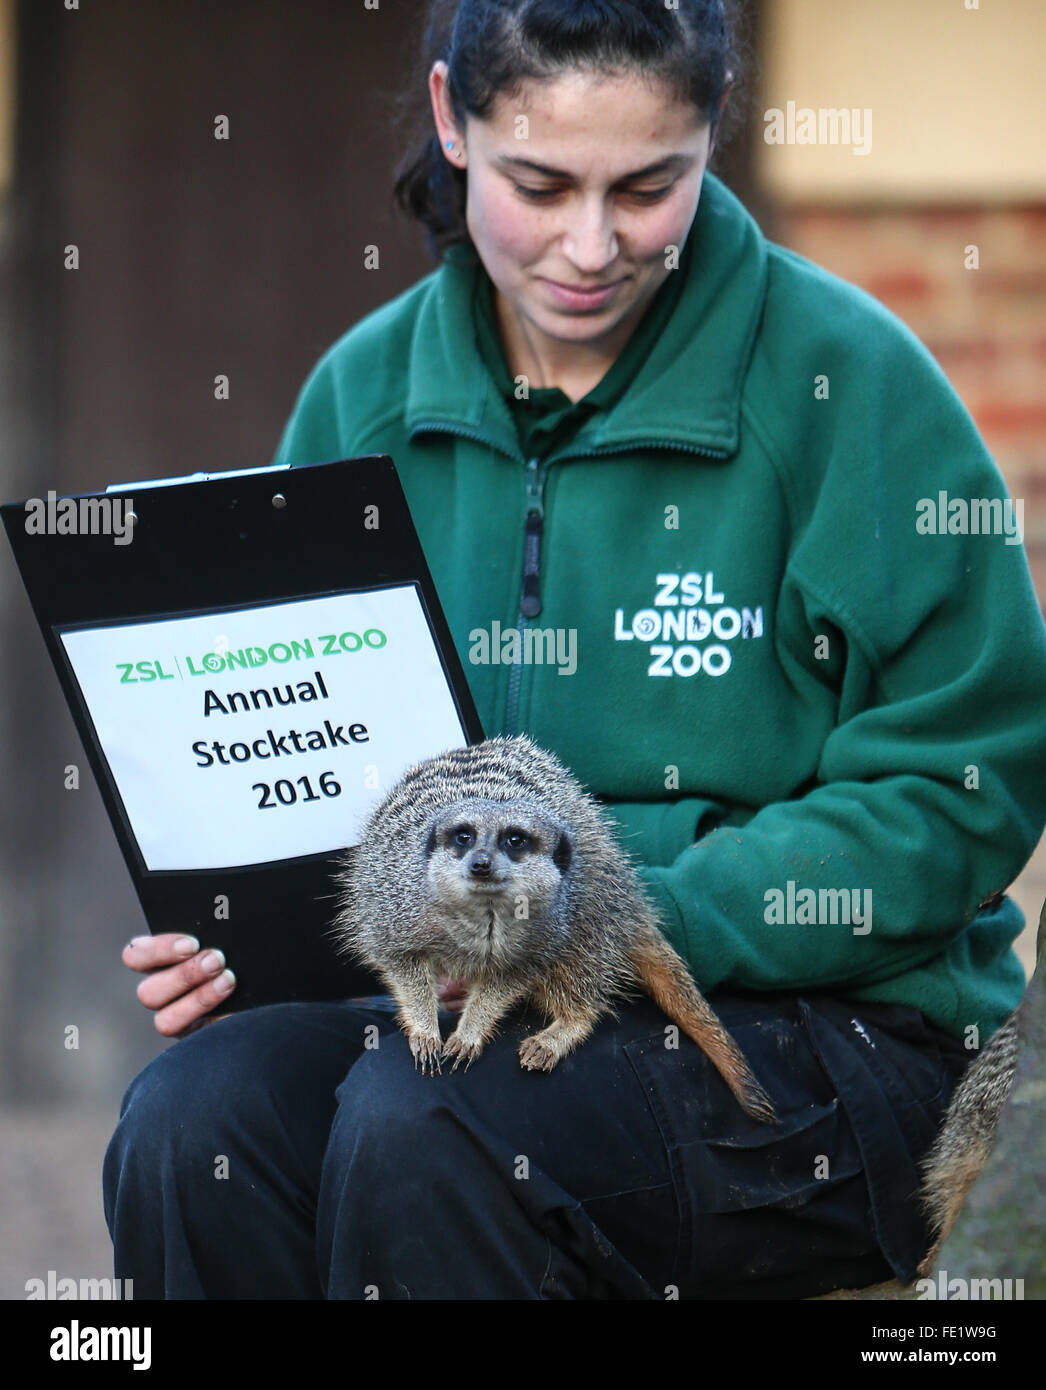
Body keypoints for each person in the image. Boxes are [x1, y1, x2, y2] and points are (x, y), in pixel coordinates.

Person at [104, 0, 1046, 1299]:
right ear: (451, 120)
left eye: (647, 186)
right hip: (454, 993)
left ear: (712, 135)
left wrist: (615, 917)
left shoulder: (849, 383)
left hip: (826, 1032)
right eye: (538, 184)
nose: (589, 246)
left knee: (429, 1125)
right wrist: (241, 934)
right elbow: (312, 773)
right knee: (191, 1116)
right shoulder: (359, 395)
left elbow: (962, 784)